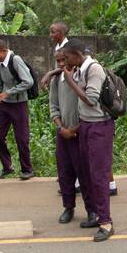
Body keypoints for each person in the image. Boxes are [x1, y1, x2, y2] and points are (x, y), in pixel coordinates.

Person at [61, 39, 116, 240]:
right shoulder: (78, 69)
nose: (65, 62)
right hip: (85, 126)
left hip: (99, 127)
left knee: (99, 175)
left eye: (66, 57)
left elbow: (91, 99)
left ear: (76, 54)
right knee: (86, 172)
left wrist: (71, 82)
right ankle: (97, 214)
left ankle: (106, 223)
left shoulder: (94, 70)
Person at [48, 47, 89, 226]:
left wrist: (75, 129)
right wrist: (61, 128)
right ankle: (68, 207)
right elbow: (53, 106)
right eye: (58, 61)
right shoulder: (57, 80)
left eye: (64, 60)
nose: (62, 64)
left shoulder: (82, 77)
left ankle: (92, 210)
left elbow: (89, 105)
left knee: (84, 173)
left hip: (80, 133)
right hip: (63, 133)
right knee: (65, 173)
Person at [0, 38, 35, 181]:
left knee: (22, 138)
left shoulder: (16, 60)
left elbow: (28, 81)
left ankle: (27, 169)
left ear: (4, 51)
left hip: (19, 104)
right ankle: (7, 167)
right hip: (5, 105)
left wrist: (9, 92)